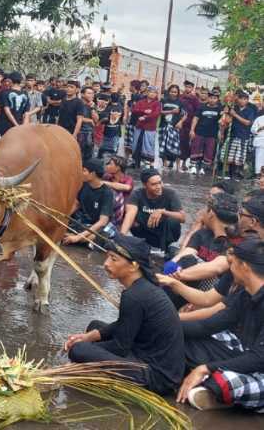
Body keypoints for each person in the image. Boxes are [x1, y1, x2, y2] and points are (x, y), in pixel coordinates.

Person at [64, 234, 184, 395]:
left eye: (113, 259)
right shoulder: (143, 287)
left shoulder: (134, 296)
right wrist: (89, 337)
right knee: (95, 326)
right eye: (107, 257)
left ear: (133, 266)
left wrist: (86, 347)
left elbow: (120, 347)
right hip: (149, 356)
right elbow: (124, 324)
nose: (106, 264)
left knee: (78, 350)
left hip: (156, 376)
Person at [178, 239, 264, 411]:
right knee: (182, 341)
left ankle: (214, 392)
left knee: (225, 383)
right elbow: (208, 326)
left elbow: (259, 358)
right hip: (248, 353)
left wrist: (206, 368)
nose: (230, 269)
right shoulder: (246, 294)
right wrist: (163, 324)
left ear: (244, 266)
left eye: (232, 264)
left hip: (259, 362)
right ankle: (212, 388)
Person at [120, 167, 185, 254]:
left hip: (165, 234)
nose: (159, 187)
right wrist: (121, 238)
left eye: (160, 182)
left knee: (173, 220)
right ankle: (144, 244)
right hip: (146, 231)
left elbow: (182, 218)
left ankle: (165, 248)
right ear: (144, 185)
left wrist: (162, 211)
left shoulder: (171, 194)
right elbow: (129, 216)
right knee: (127, 213)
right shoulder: (137, 194)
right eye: (154, 184)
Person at [63, 158, 116, 246]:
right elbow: (76, 204)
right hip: (82, 222)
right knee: (61, 227)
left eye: (84, 171)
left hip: (97, 226)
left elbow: (102, 222)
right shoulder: (84, 185)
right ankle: (74, 237)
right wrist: (63, 217)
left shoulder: (107, 193)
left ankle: (75, 238)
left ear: (93, 173)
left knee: (102, 235)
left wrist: (78, 237)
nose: (81, 173)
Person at [190, 89, 224, 175]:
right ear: (208, 98)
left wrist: (221, 132)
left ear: (217, 99)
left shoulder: (220, 109)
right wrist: (192, 130)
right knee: (196, 148)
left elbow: (222, 122)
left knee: (209, 151)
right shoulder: (202, 107)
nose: (213, 100)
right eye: (211, 98)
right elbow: (195, 118)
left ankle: (203, 168)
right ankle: (193, 166)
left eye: (215, 98)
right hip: (199, 132)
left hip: (212, 134)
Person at [225, 90, 257, 179]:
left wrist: (235, 115)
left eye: (245, 99)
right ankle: (228, 173)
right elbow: (227, 119)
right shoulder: (234, 108)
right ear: (238, 100)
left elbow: (248, 123)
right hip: (233, 135)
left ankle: (236, 174)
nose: (242, 101)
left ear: (247, 100)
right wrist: (227, 112)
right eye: (241, 99)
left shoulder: (250, 110)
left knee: (240, 156)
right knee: (230, 155)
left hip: (243, 136)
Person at [130, 85, 162, 167]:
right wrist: (144, 111)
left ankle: (148, 163)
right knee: (136, 143)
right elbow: (134, 110)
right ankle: (135, 161)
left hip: (150, 127)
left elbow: (156, 113)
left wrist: (145, 117)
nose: (152, 94)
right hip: (139, 126)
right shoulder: (141, 101)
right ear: (147, 92)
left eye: (155, 92)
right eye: (151, 92)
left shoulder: (157, 103)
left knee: (148, 144)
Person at [0, 71, 31, 137]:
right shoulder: (25, 94)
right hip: (20, 126)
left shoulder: (5, 93)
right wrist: (23, 127)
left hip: (6, 126)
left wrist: (16, 125)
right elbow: (26, 113)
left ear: (11, 81)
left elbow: (7, 111)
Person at [101, 156, 133, 226]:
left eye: (110, 164)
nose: (107, 165)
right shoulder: (107, 176)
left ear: (118, 168)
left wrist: (104, 183)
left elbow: (127, 187)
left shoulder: (128, 179)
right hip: (107, 208)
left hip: (122, 212)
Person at [158, 85, 184, 170]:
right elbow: (159, 111)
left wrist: (180, 122)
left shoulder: (180, 102)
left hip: (174, 127)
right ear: (169, 92)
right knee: (163, 144)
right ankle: (164, 163)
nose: (173, 93)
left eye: (175, 92)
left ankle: (174, 164)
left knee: (175, 146)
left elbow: (185, 114)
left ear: (178, 93)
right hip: (163, 125)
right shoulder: (163, 100)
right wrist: (171, 111)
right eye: (172, 91)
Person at [179, 81, 201, 171]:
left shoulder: (195, 99)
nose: (188, 88)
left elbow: (197, 112)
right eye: (186, 87)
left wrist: (193, 127)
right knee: (178, 143)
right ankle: (174, 163)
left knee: (186, 144)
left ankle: (184, 163)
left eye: (190, 87)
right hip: (179, 123)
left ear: (192, 88)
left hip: (189, 124)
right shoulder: (180, 97)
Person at [96, 93, 123, 157]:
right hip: (116, 132)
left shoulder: (107, 108)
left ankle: (100, 160)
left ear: (110, 99)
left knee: (102, 149)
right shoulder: (121, 108)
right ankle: (112, 161)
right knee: (113, 150)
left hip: (106, 132)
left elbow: (103, 119)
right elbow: (122, 120)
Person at [253, 107, 264, 178]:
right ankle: (258, 174)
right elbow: (253, 130)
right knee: (259, 158)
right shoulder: (259, 119)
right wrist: (260, 128)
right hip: (260, 141)